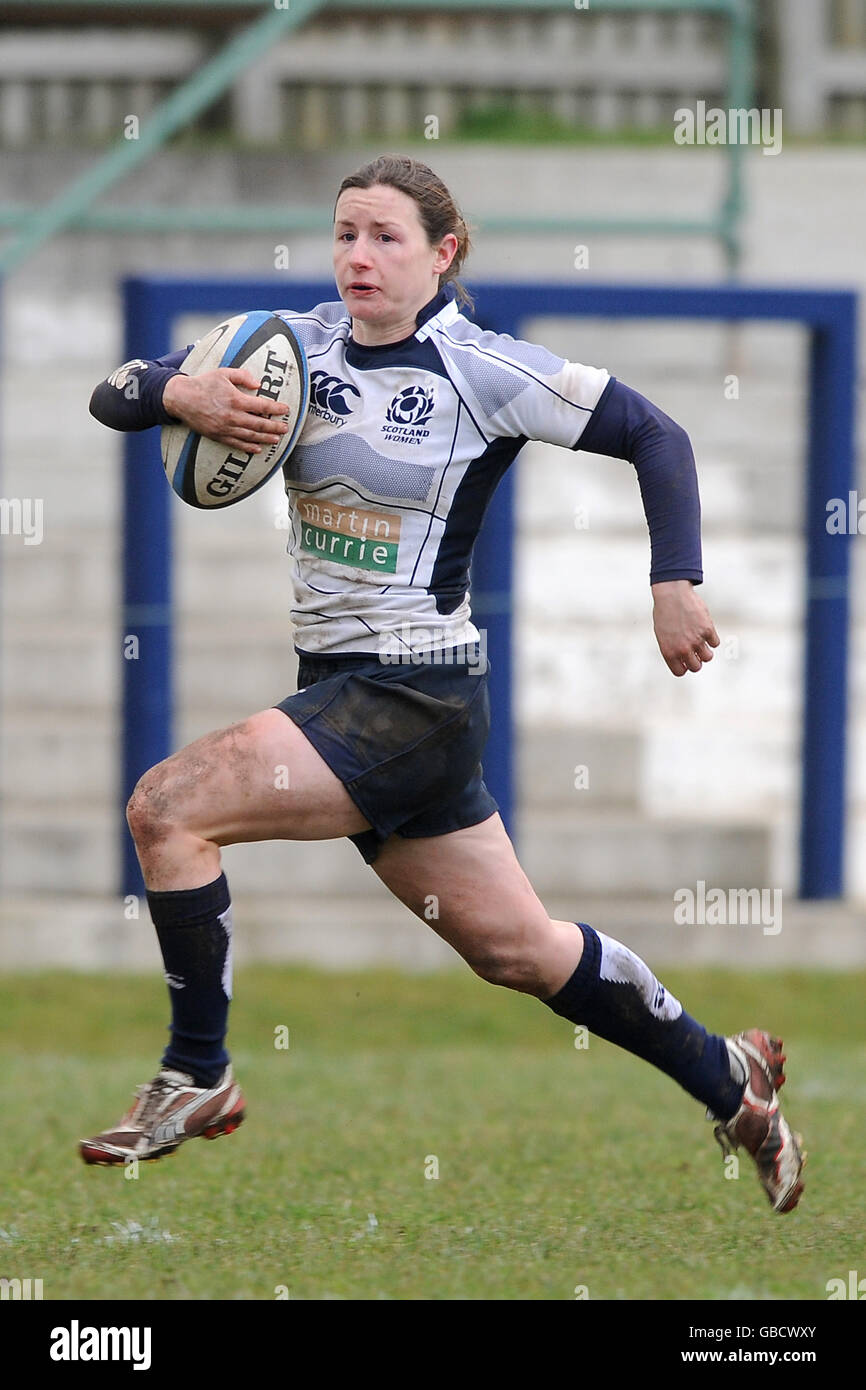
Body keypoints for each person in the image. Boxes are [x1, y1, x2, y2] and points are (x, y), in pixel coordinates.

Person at [83, 153, 804, 1214]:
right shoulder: (292, 348)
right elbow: (111, 395)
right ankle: (730, 1081)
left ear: (443, 253)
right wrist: (178, 390)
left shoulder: (482, 369)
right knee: (521, 951)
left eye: (386, 237)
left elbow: (657, 433)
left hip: (411, 696)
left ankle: (198, 1073)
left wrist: (673, 583)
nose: (358, 256)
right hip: (351, 693)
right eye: (345, 234)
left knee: (166, 807)